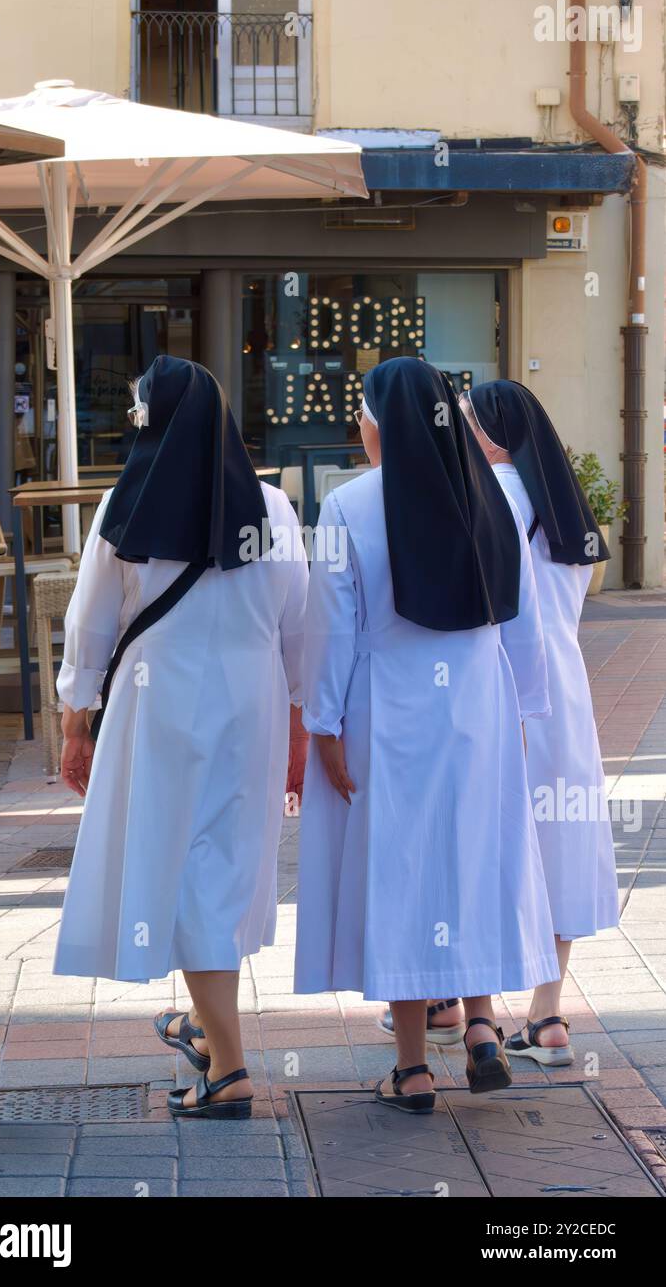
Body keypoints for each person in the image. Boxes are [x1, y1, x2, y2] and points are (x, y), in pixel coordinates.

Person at [294, 356, 558, 1113]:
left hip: (389, 712)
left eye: (365, 414)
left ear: (382, 422)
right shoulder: (493, 497)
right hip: (479, 705)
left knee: (401, 870)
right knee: (472, 857)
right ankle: (480, 1027)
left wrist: (323, 724)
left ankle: (412, 1067)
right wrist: (525, 711)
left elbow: (331, 628)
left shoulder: (347, 504)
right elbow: (523, 621)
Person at [53, 355, 309, 1120]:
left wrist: (75, 719)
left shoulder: (122, 506)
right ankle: (204, 1027)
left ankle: (228, 1069)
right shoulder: (273, 508)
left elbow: (89, 625)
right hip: (253, 704)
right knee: (225, 863)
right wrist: (302, 723)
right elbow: (302, 626)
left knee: (185, 865)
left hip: (156, 702)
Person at [460, 379, 618, 1067]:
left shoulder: (482, 497)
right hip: (568, 694)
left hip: (500, 694)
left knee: (486, 849)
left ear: (492, 435)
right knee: (560, 844)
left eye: (466, 422)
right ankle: (549, 1016)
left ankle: (478, 1015)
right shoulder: (568, 510)